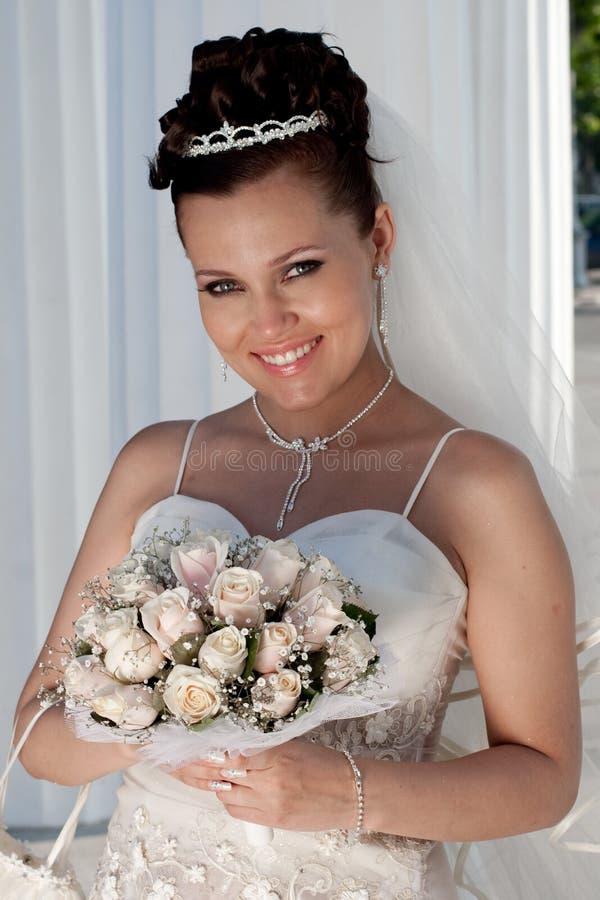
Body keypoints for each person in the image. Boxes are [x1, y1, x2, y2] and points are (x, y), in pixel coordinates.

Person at [12, 26, 600, 899]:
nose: (268, 322)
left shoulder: (477, 484)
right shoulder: (157, 464)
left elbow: (545, 774)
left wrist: (345, 793)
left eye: (300, 268)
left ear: (379, 241)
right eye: (223, 285)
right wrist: (164, 709)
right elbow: (35, 734)